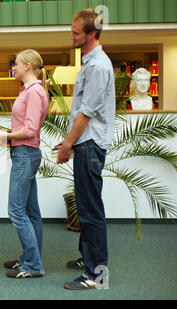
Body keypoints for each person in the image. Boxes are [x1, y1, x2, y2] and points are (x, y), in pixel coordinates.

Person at [56, 9, 115, 290]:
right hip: (86, 143)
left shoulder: (97, 66)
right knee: (87, 206)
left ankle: (96, 276)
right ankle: (87, 258)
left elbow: (86, 114)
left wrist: (68, 143)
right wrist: (70, 141)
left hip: (90, 144)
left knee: (91, 211)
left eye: (76, 32)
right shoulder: (90, 62)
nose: (72, 35)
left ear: (92, 34)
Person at [0, 49, 49, 279]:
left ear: (28, 67)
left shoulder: (33, 92)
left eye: (17, 64)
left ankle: (32, 266)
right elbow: (30, 128)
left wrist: (3, 137)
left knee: (16, 211)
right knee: (31, 211)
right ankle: (31, 259)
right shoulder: (32, 90)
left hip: (25, 154)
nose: (13, 67)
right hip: (26, 153)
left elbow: (30, 130)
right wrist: (5, 136)